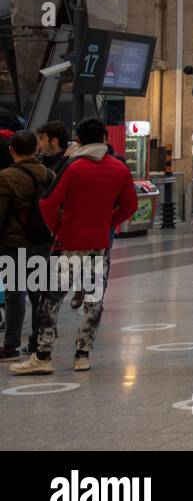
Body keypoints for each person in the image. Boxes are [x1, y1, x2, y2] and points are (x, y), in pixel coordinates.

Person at [11, 119, 137, 375]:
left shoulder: (73, 168)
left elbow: (48, 203)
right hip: (99, 245)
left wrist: (58, 227)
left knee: (51, 299)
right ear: (105, 138)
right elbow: (130, 206)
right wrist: (108, 223)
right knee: (94, 300)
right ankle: (83, 355)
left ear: (77, 141)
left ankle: (43, 355)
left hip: (68, 244)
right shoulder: (119, 169)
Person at [0, 132, 52, 361]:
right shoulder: (49, 174)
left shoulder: (5, 177)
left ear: (11, 150)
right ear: (36, 150)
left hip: (13, 245)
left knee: (14, 296)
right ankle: (36, 343)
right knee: (38, 296)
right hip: (42, 243)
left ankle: (10, 346)